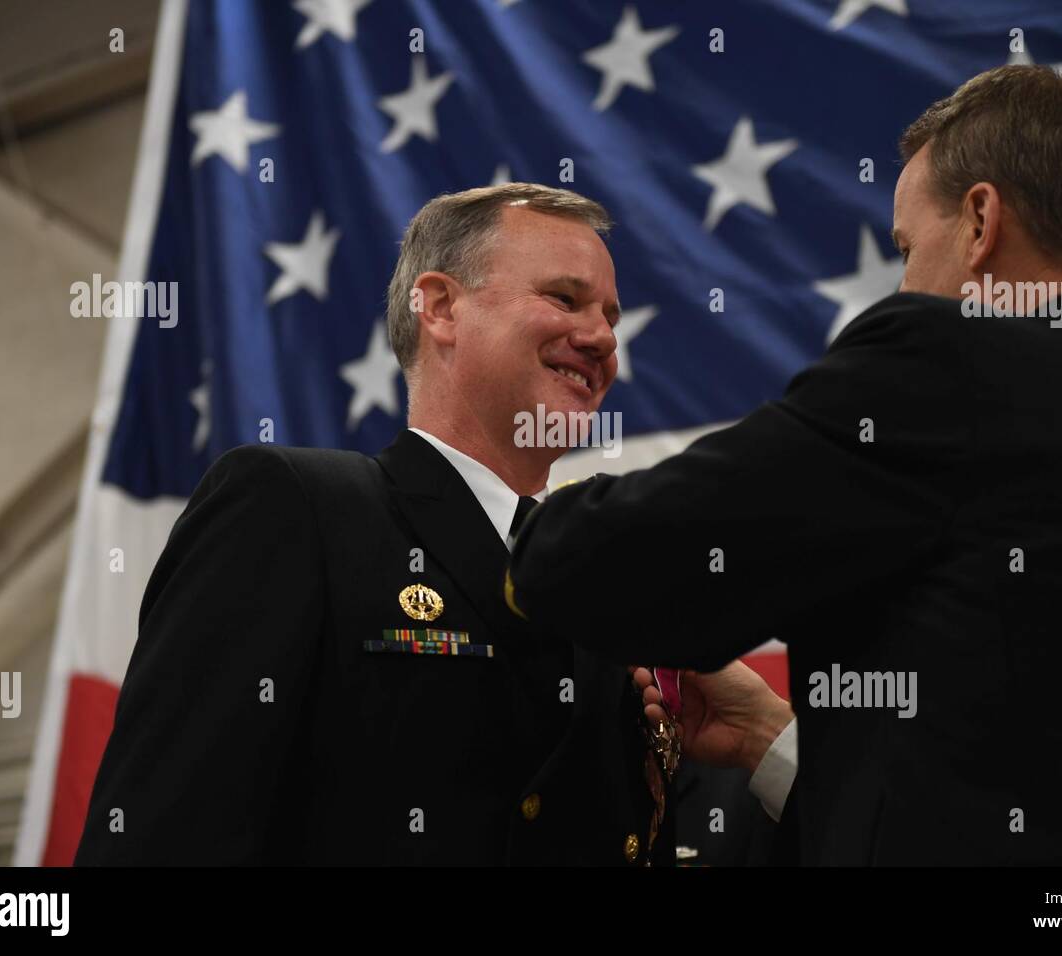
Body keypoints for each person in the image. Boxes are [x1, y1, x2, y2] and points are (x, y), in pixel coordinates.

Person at [507, 65, 1062, 865]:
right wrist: (774, 743)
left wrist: (523, 525)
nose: (907, 281)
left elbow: (614, 560)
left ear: (981, 221)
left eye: (909, 248)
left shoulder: (945, 359)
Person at [75, 183, 671, 865]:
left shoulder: (597, 591)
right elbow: (163, 837)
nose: (600, 338)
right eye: (564, 299)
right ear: (442, 307)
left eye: (610, 318)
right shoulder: (296, 508)